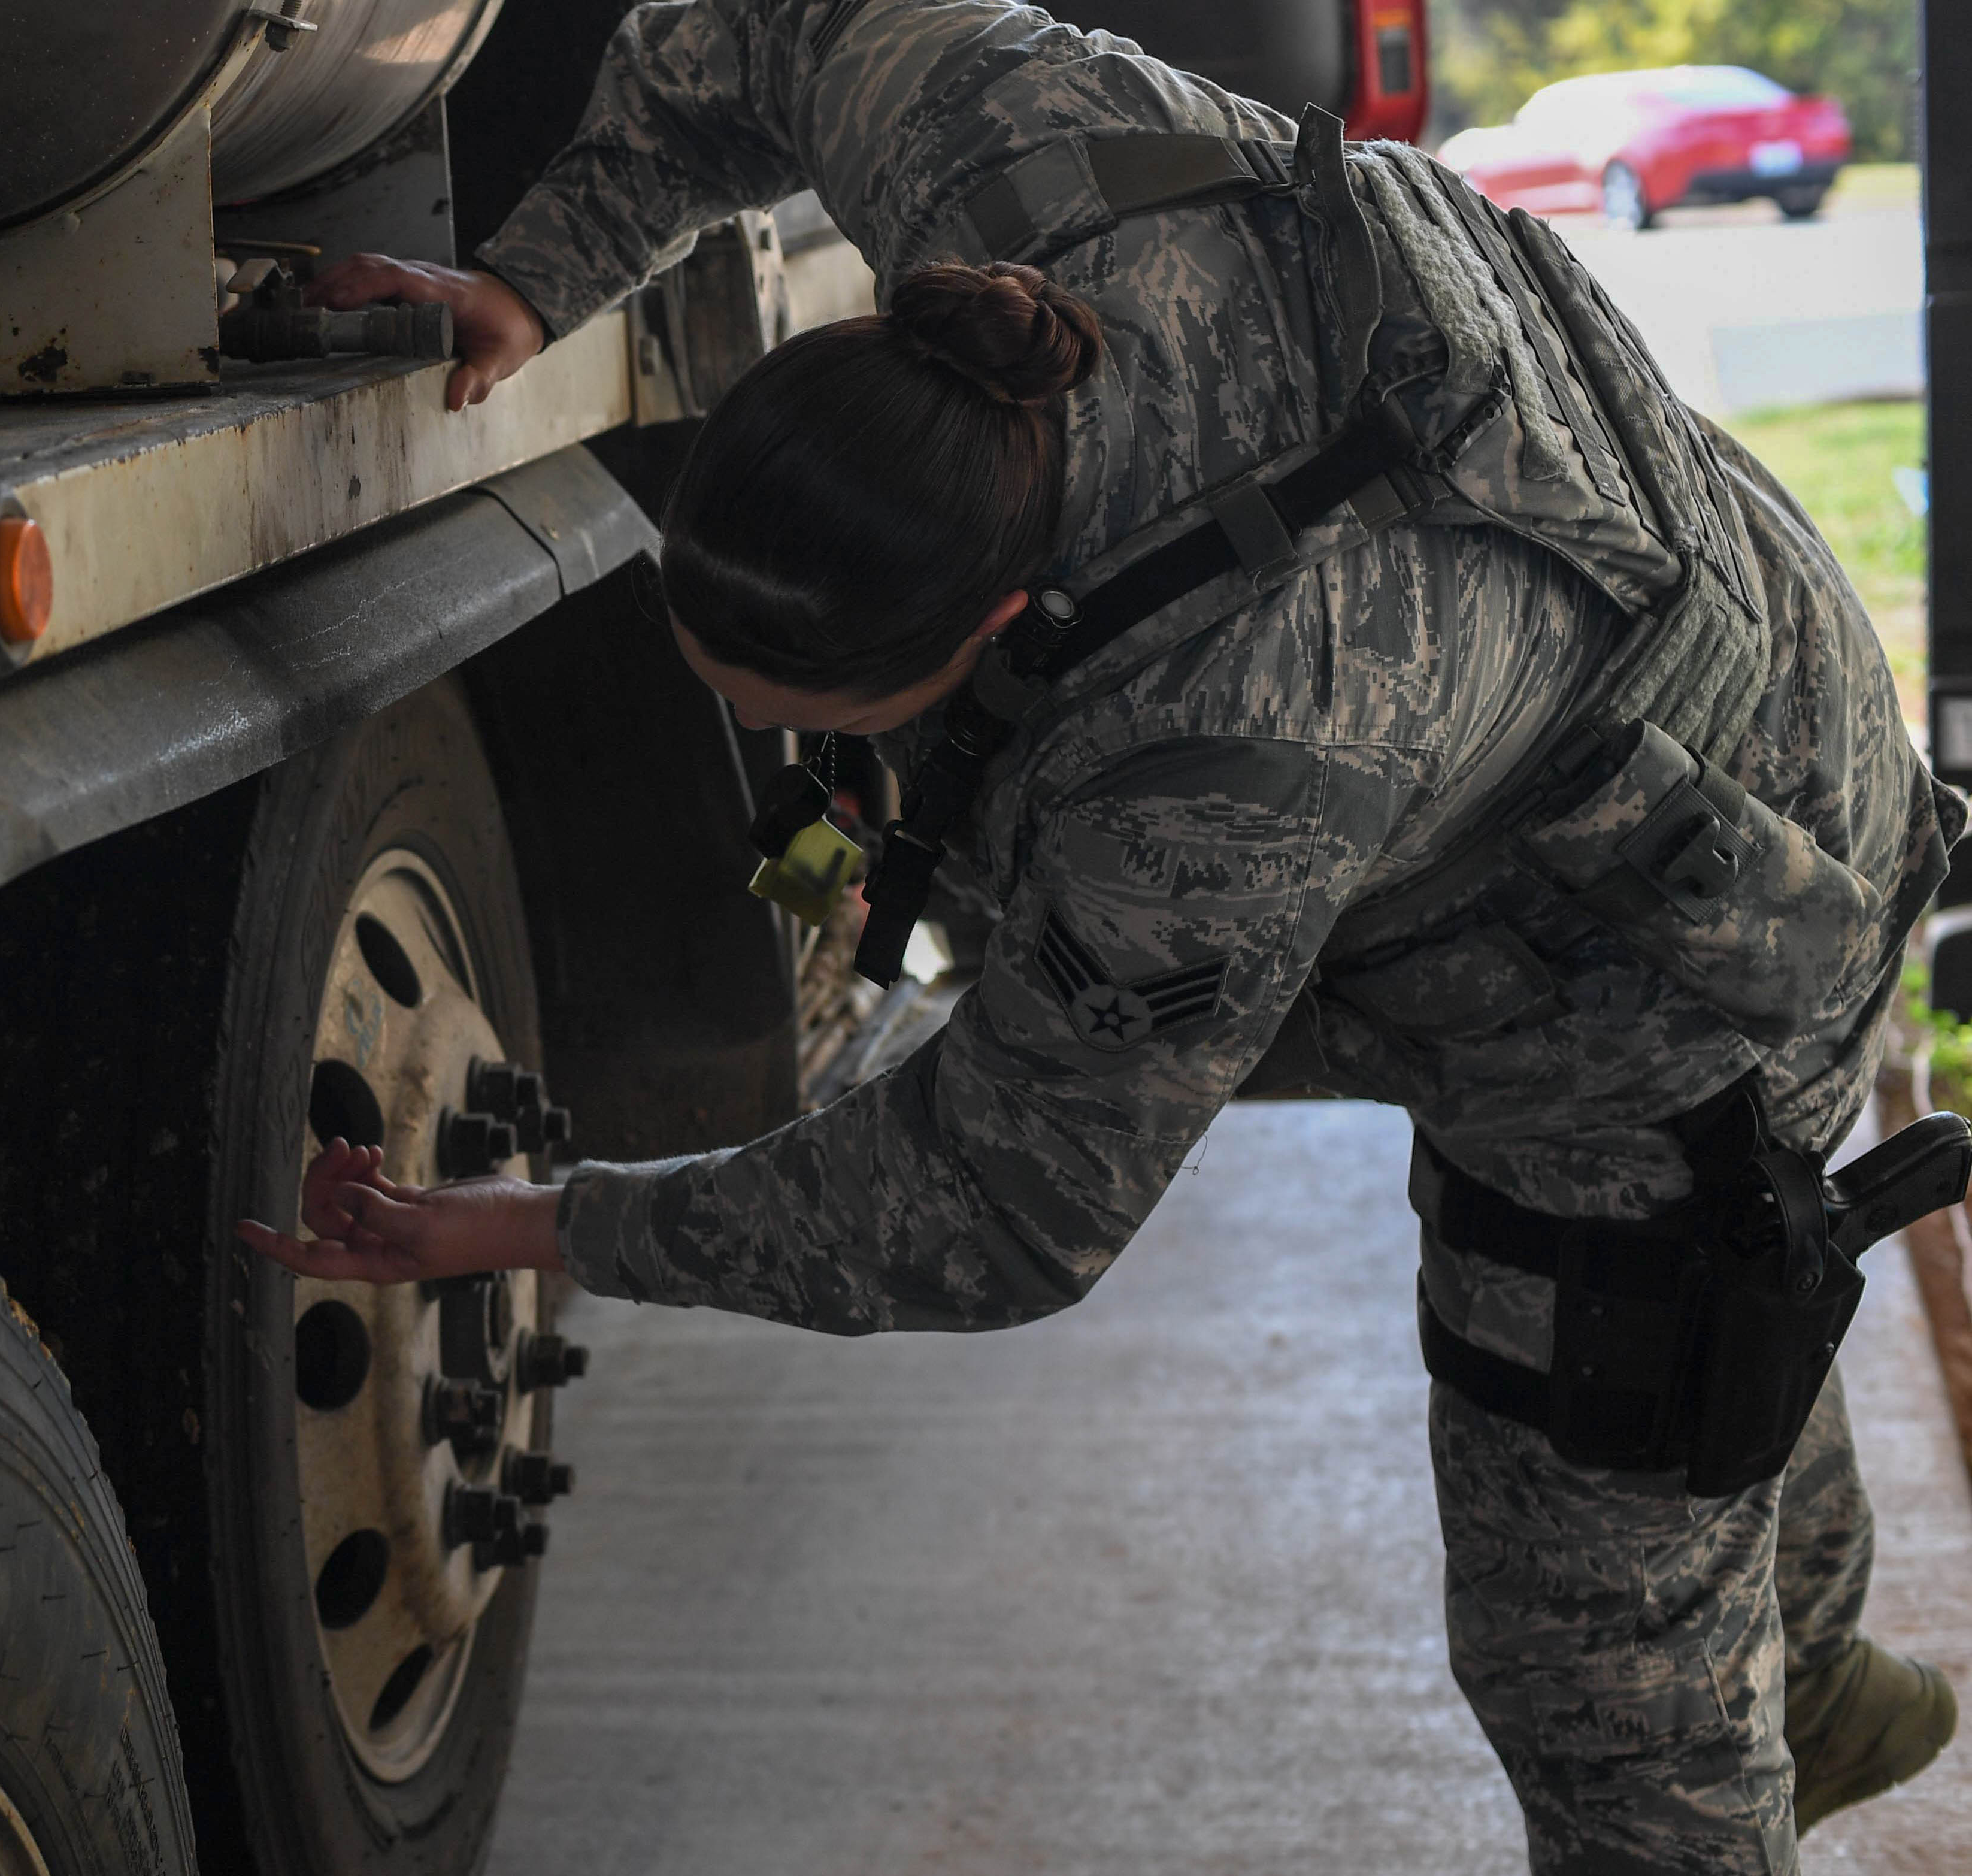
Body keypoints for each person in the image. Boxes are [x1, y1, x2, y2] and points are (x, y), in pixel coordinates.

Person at [238, 2, 1964, 1867]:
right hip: (1704, 617)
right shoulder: (993, 153)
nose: (811, 764)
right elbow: (752, 26)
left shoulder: (1232, 741)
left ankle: (1758, 1719)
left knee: (1601, 1640)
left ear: (998, 621)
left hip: (1671, 950)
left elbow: (1000, 1197)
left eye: (837, 723)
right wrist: (535, 278)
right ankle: (1817, 1672)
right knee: (1703, 1337)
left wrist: (550, 1224)